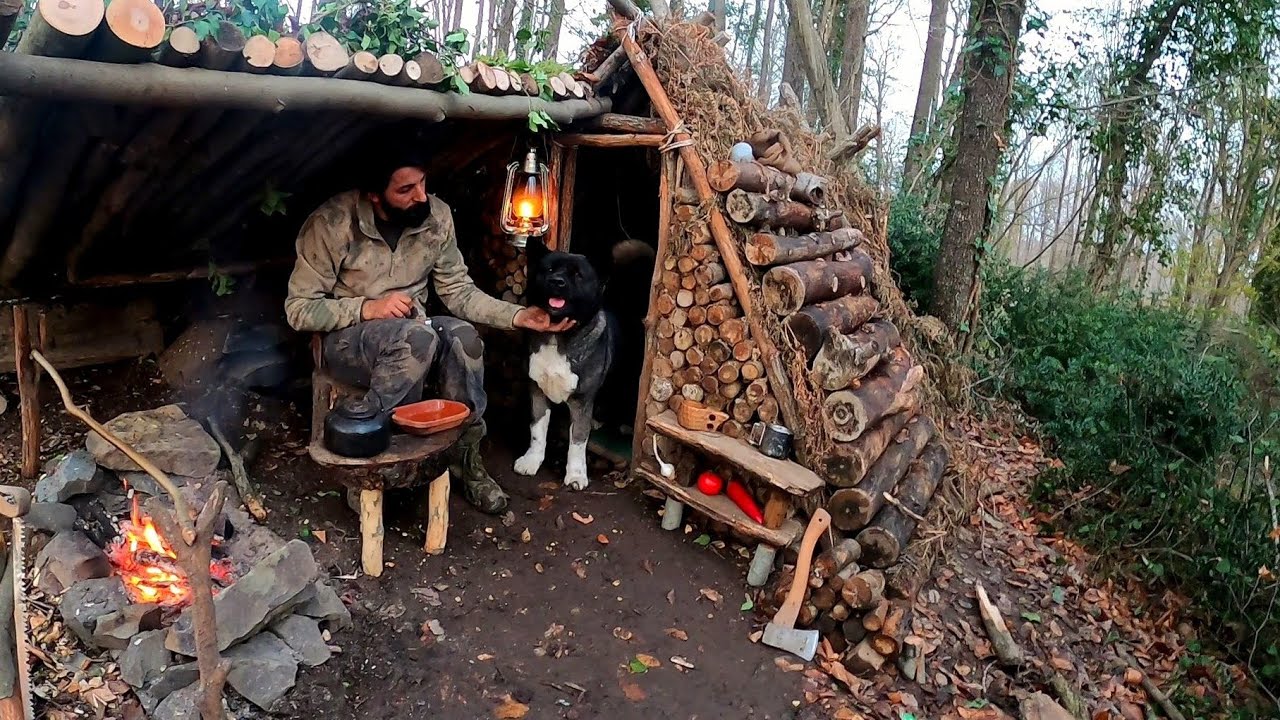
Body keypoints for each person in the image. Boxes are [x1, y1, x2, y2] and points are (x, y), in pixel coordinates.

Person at [284, 150, 574, 514]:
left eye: (422, 183)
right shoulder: (331, 224)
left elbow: (458, 291)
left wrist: (518, 316)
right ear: (375, 194)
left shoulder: (436, 216)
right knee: (416, 339)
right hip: (346, 338)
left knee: (463, 338)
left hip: (415, 331)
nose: (421, 196)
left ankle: (464, 459)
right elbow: (298, 310)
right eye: (405, 189)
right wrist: (366, 308)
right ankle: (372, 466)